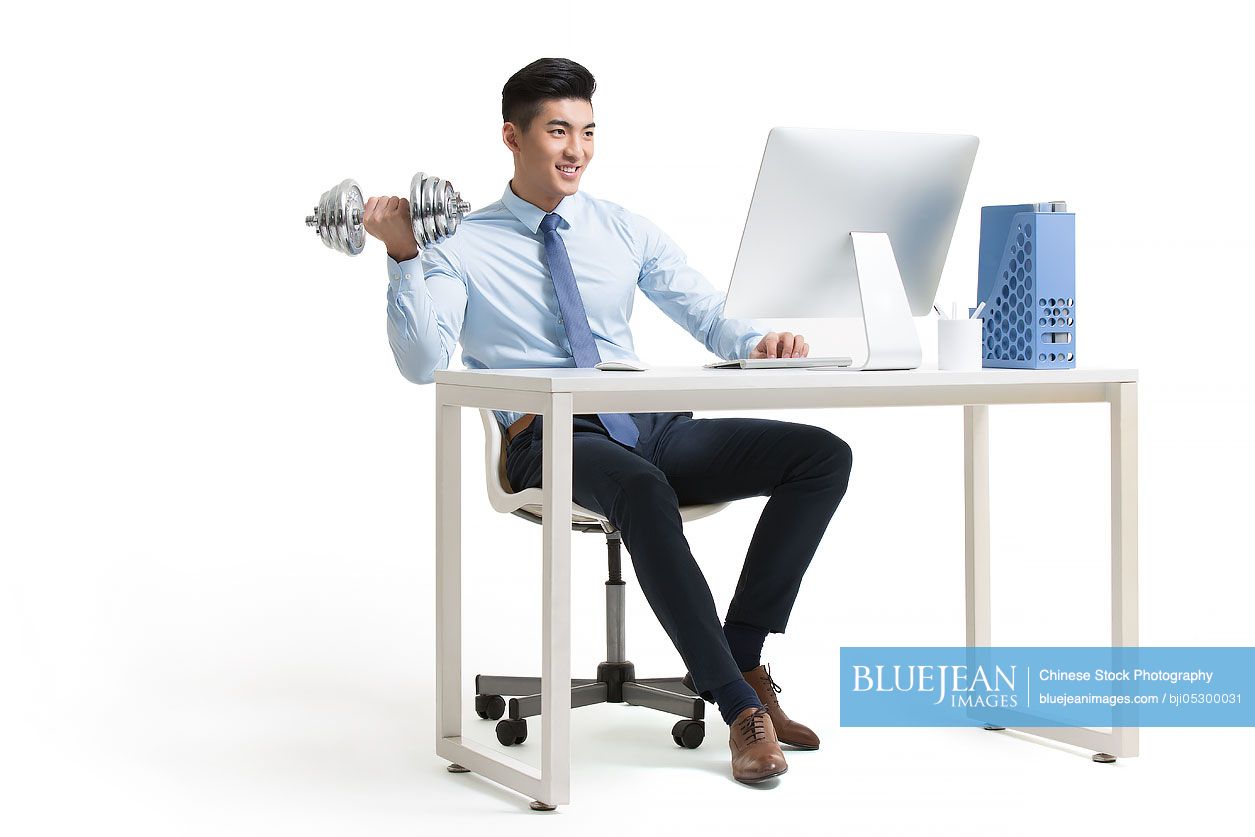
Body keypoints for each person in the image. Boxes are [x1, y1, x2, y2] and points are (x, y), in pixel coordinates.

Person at [366, 57, 853, 785]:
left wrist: (758, 342)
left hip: (649, 424)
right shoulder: (458, 243)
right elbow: (422, 362)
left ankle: (742, 656)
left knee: (819, 455)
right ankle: (734, 708)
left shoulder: (622, 228)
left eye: (587, 132)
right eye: (558, 131)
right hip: (548, 438)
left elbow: (706, 311)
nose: (576, 150)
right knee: (641, 489)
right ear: (512, 136)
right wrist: (404, 255)